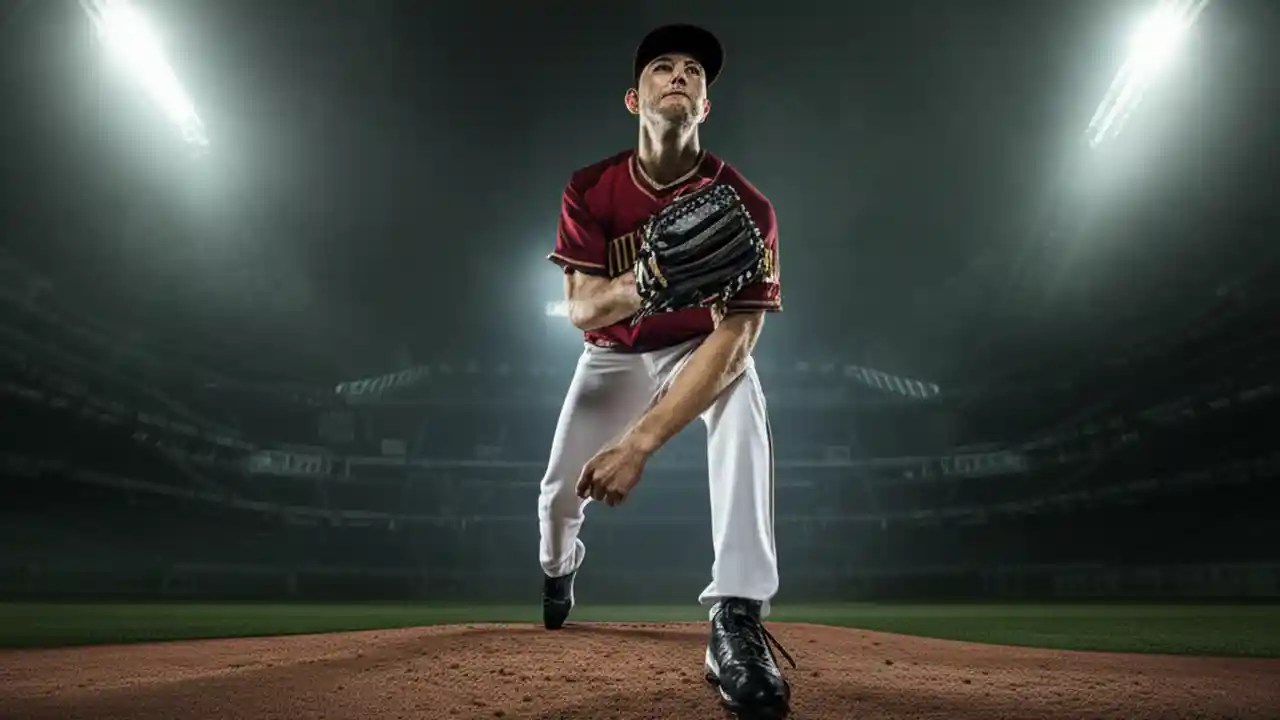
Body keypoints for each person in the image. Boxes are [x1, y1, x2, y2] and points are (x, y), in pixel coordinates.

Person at [536, 23, 793, 719]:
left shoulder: (750, 209)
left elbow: (737, 338)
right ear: (634, 98)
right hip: (611, 353)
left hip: (696, 347)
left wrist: (640, 443)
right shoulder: (591, 188)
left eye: (693, 71)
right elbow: (581, 310)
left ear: (705, 104)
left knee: (742, 398)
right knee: (557, 500)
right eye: (662, 66)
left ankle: (736, 612)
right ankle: (559, 569)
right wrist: (648, 281)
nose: (679, 74)